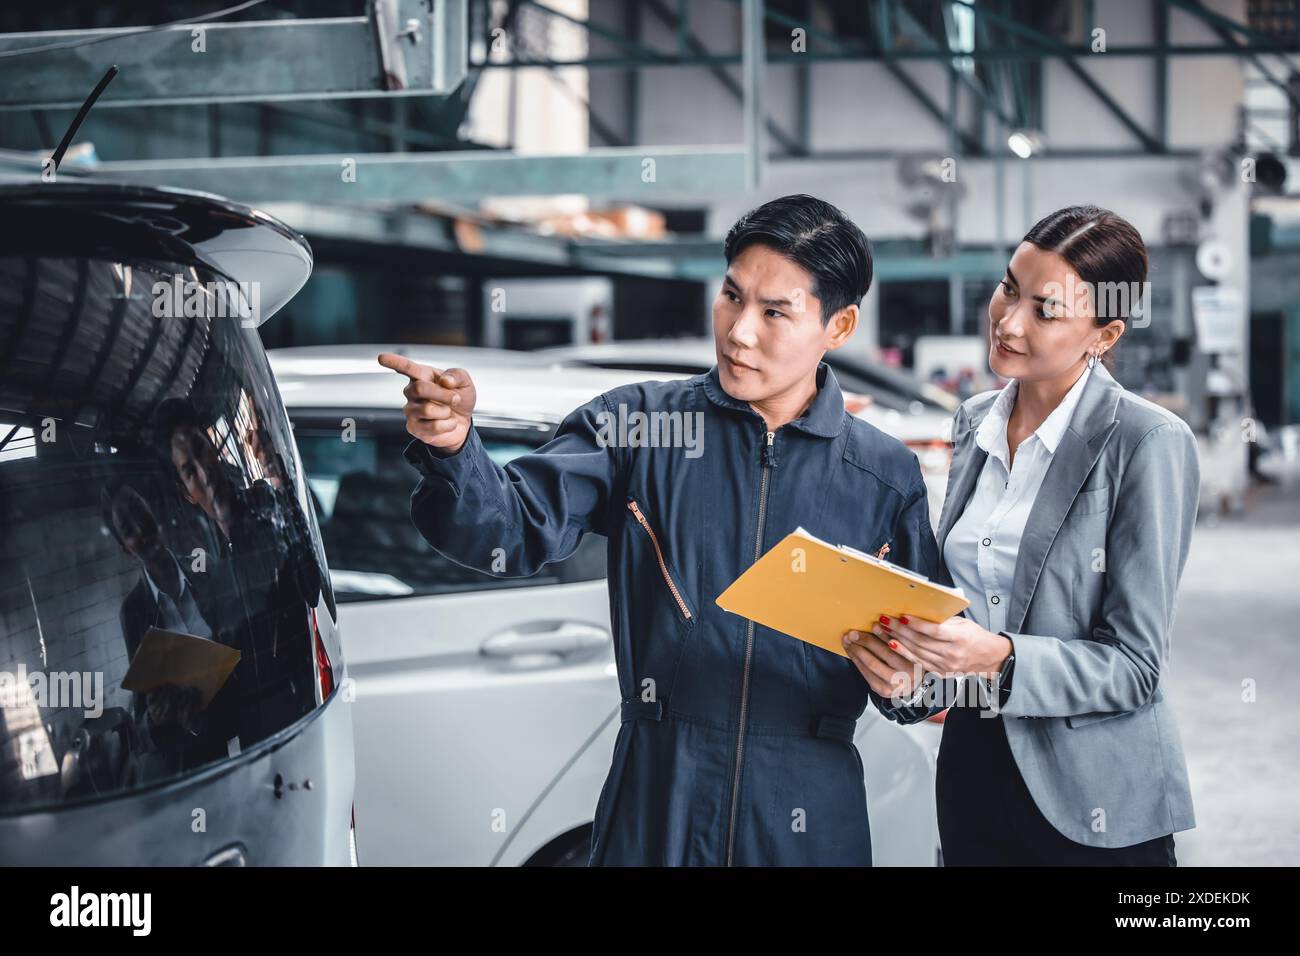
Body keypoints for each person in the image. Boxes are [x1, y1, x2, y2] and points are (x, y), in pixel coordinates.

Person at [381, 194, 942, 866]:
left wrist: (908, 683)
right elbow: (511, 529)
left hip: (808, 811)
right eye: (732, 297)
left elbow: (930, 668)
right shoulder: (640, 427)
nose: (738, 331)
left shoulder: (883, 474)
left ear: (840, 325)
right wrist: (454, 447)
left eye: (774, 312)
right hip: (659, 794)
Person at [874, 206, 1199, 865]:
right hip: (972, 780)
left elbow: (1134, 668)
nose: (1008, 320)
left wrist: (996, 656)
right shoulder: (973, 425)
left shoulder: (1147, 442)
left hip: (1092, 802)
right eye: (1008, 287)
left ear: (1103, 334)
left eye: (1044, 310)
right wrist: (913, 680)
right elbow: (965, 619)